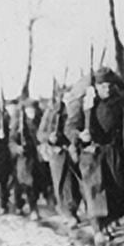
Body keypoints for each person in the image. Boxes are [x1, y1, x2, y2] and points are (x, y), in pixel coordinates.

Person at [81, 67, 124, 245]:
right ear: (96, 87)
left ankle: (108, 223)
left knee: (116, 187)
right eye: (103, 86)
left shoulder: (119, 103)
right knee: (96, 190)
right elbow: (72, 127)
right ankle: (98, 229)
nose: (107, 89)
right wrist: (80, 134)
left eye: (109, 86)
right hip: (92, 152)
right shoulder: (85, 104)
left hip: (113, 151)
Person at [38, 91, 83, 226]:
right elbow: (41, 133)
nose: (69, 100)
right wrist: (49, 138)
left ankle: (73, 210)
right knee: (61, 183)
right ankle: (67, 213)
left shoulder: (77, 110)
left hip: (74, 151)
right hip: (57, 152)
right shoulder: (51, 112)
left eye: (71, 97)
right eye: (66, 97)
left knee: (75, 183)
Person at [9, 99, 42, 219]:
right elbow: (11, 141)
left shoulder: (38, 121)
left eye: (33, 110)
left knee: (36, 183)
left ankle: (32, 206)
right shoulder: (19, 124)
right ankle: (25, 206)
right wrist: (18, 148)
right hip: (23, 158)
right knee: (25, 183)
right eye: (29, 110)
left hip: (36, 157)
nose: (31, 112)